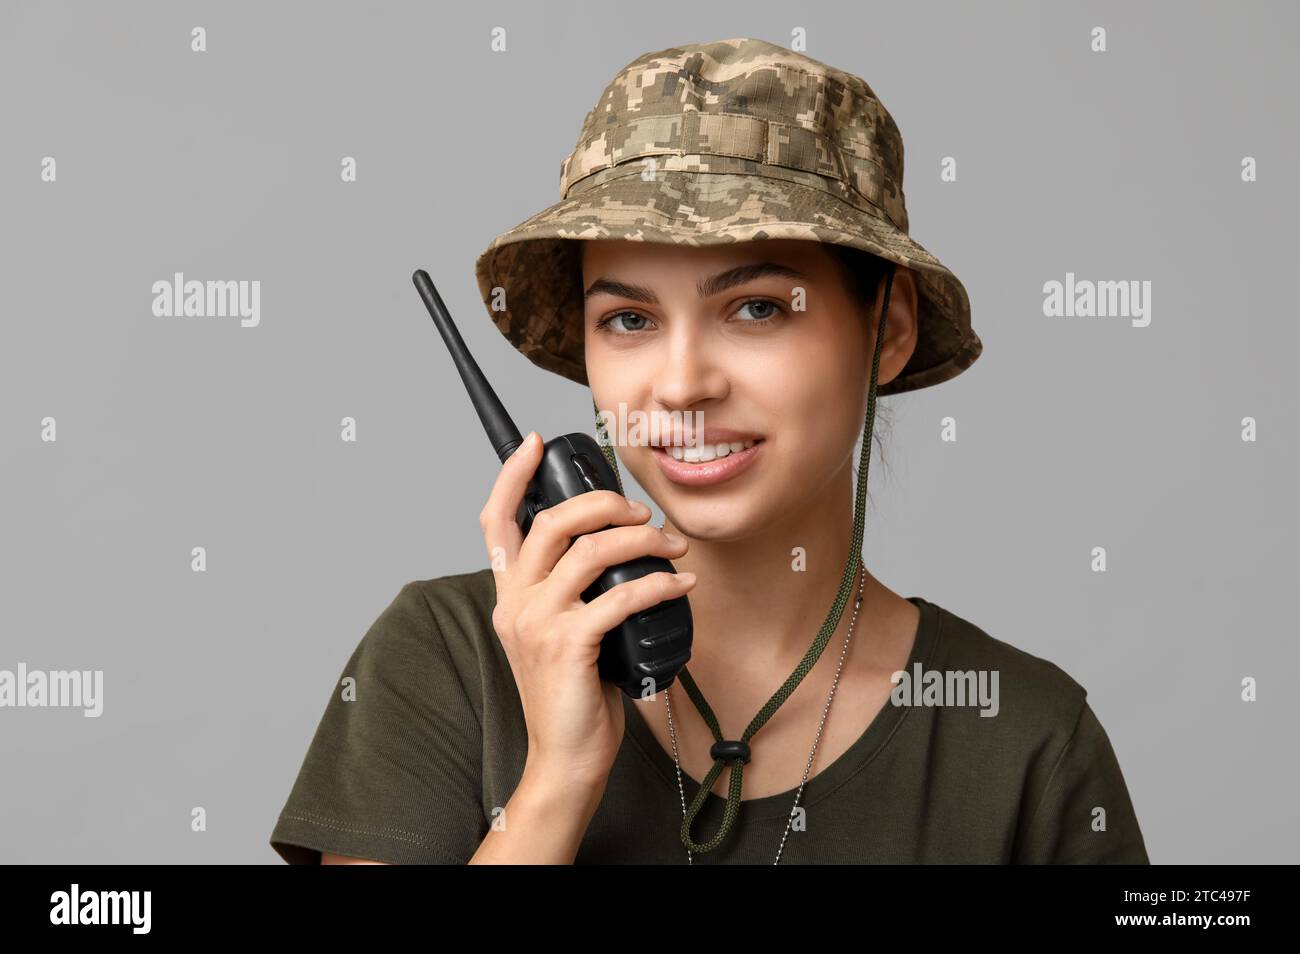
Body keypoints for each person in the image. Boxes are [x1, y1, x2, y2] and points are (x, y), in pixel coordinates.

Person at [269, 37, 1148, 864]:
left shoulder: (1027, 740)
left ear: (888, 330)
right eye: (630, 320)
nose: (682, 385)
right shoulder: (447, 663)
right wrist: (556, 783)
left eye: (758, 307)